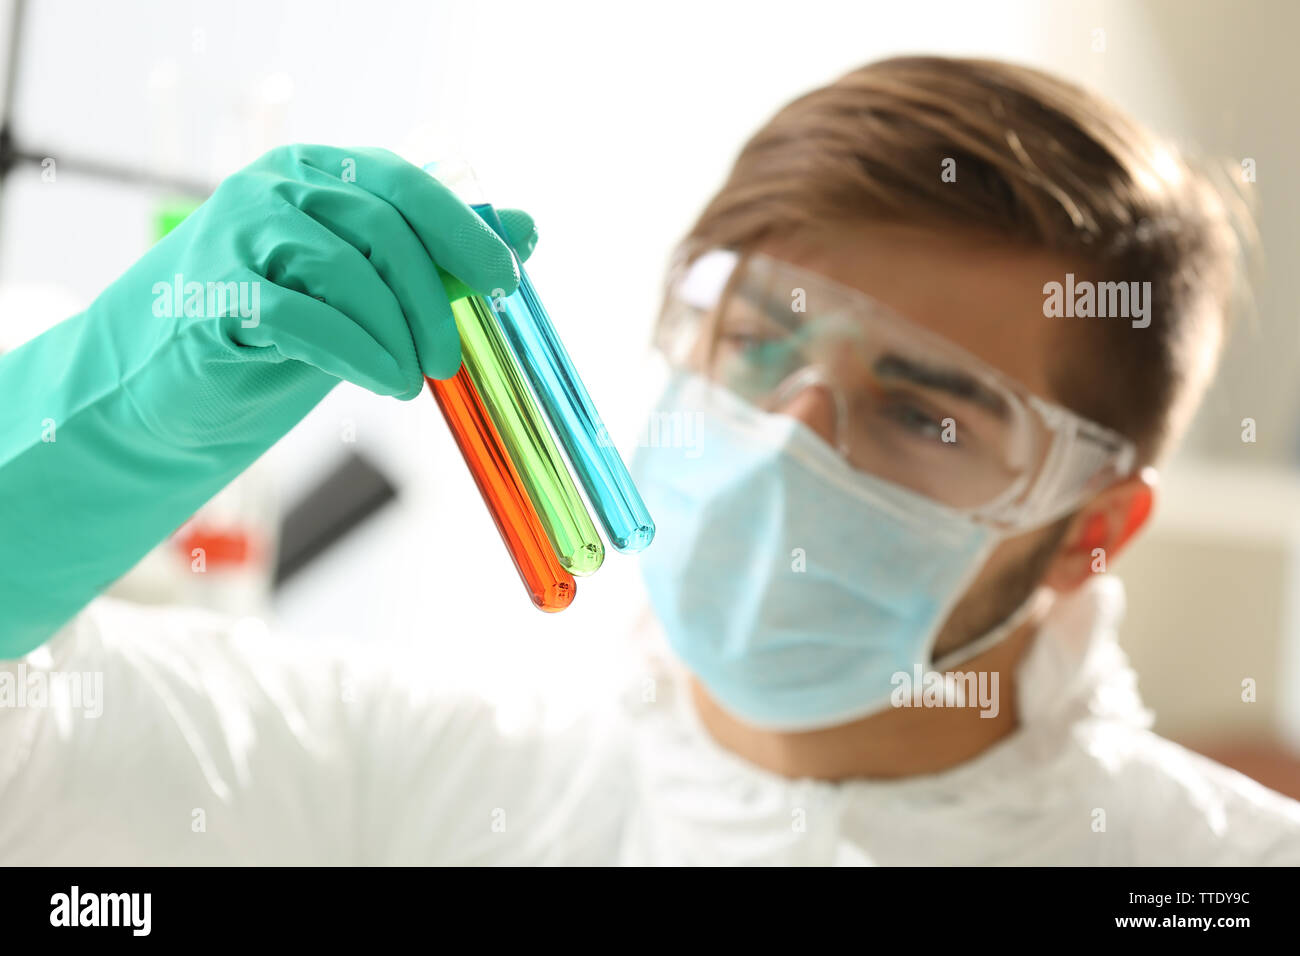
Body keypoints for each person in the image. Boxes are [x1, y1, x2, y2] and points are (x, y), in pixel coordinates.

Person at [1, 55, 1297, 865]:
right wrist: (105, 410)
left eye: (930, 414)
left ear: (1090, 529)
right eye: (757, 341)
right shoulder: (412, 779)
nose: (790, 435)